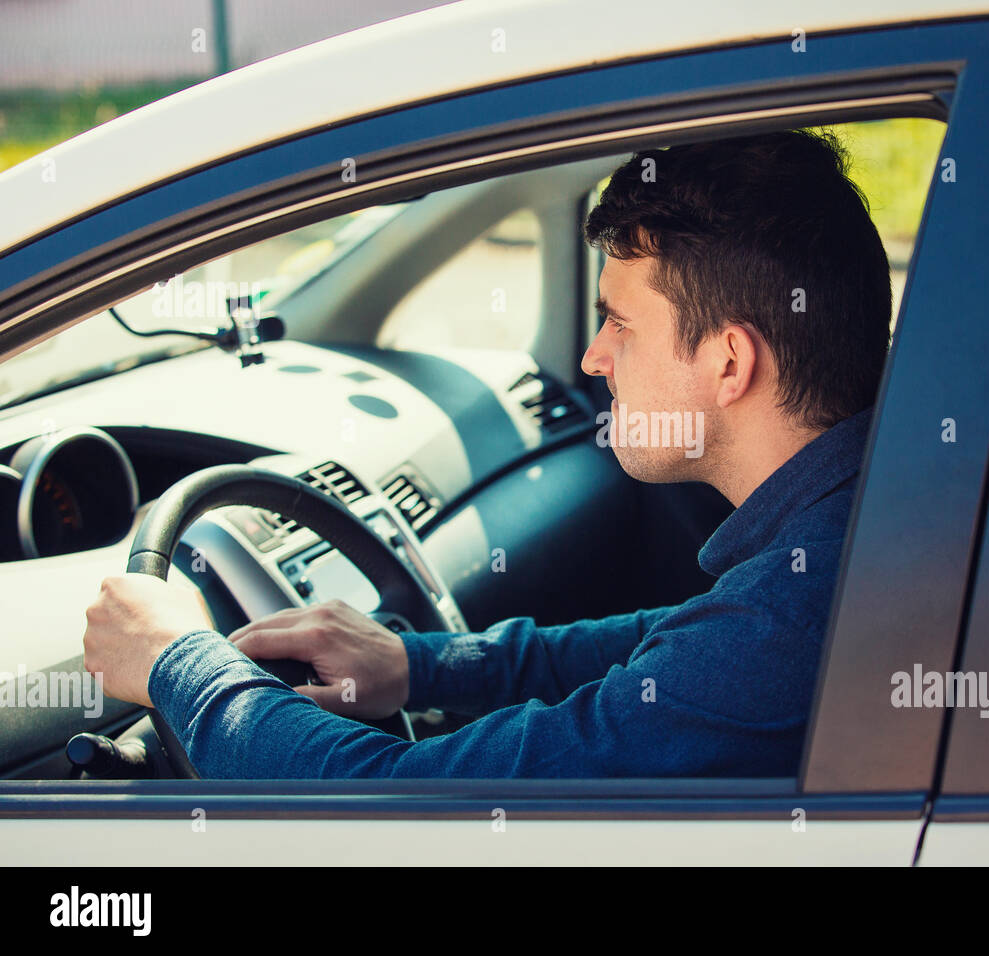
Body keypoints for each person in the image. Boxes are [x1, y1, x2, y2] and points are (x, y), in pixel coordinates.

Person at [82, 127, 893, 777]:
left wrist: (177, 661)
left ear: (729, 362)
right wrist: (422, 663)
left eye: (620, 322)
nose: (592, 358)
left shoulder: (781, 625)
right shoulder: (853, 530)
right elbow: (670, 640)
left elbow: (401, 815)